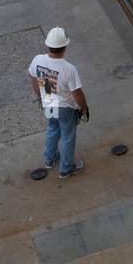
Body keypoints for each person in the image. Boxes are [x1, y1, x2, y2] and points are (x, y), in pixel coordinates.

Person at [27, 27, 89, 178]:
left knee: (53, 129)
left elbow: (34, 79)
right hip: (65, 108)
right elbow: (77, 94)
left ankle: (49, 159)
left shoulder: (38, 60)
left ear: (48, 45)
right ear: (65, 46)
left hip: (48, 102)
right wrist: (84, 109)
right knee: (68, 136)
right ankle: (66, 168)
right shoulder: (69, 69)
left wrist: (41, 97)